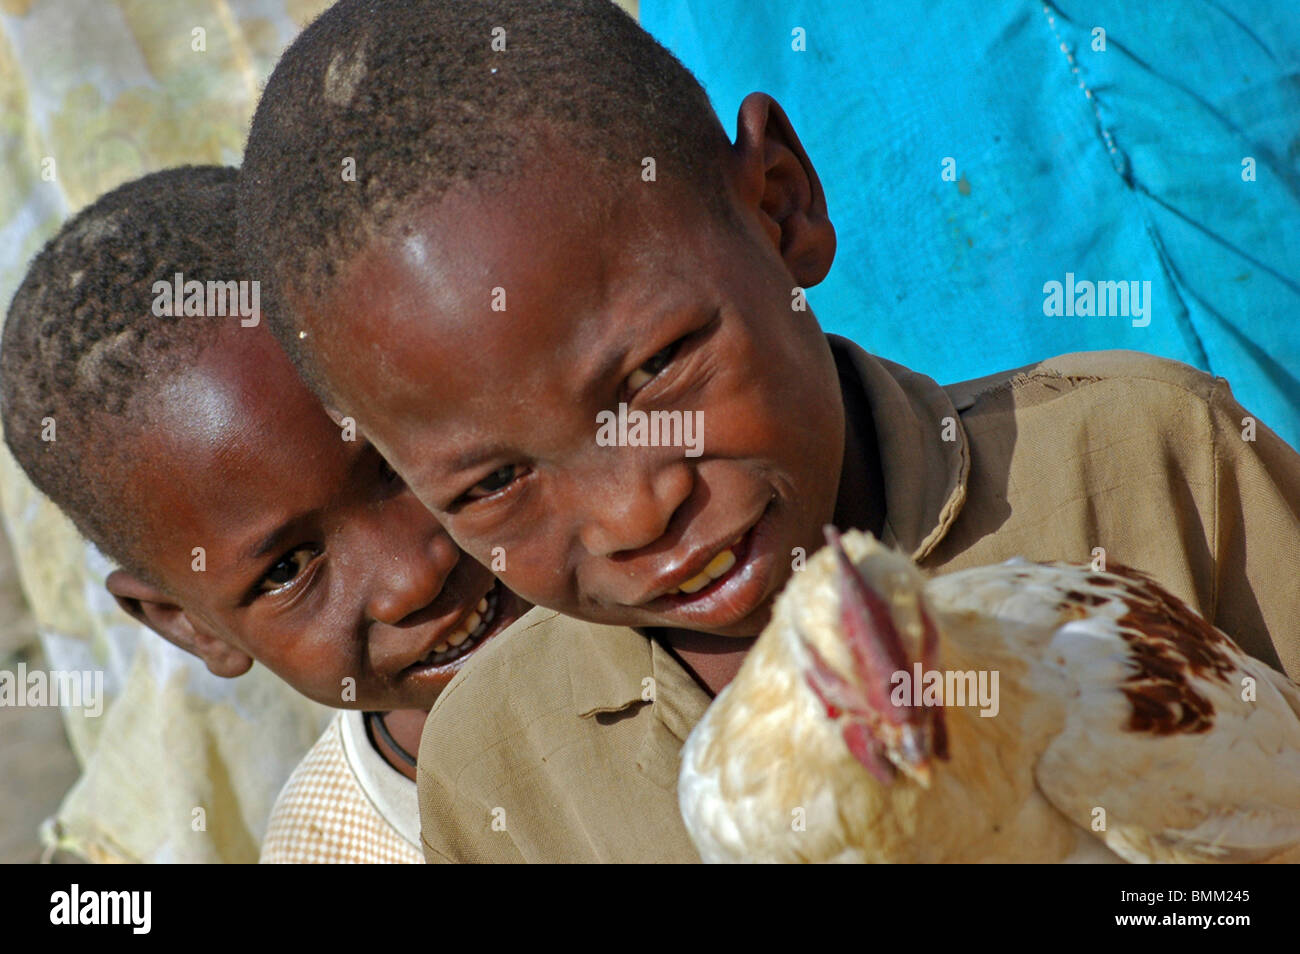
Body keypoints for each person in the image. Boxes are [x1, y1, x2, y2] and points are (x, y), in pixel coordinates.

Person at [237, 0, 1300, 861]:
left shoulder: (1146, 461)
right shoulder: (502, 763)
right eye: (490, 483)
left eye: (656, 369)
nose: (634, 510)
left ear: (780, 206)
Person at [1, 166, 526, 863]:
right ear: (186, 624)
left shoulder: (684, 598)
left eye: (397, 463)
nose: (411, 579)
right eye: (287, 569)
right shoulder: (330, 846)